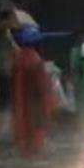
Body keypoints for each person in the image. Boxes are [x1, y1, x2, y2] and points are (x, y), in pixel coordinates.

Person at [10, 23, 56, 157]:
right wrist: (50, 104)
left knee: (24, 138)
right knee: (36, 136)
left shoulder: (18, 59)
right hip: (35, 106)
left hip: (20, 105)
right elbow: (43, 87)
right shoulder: (36, 61)